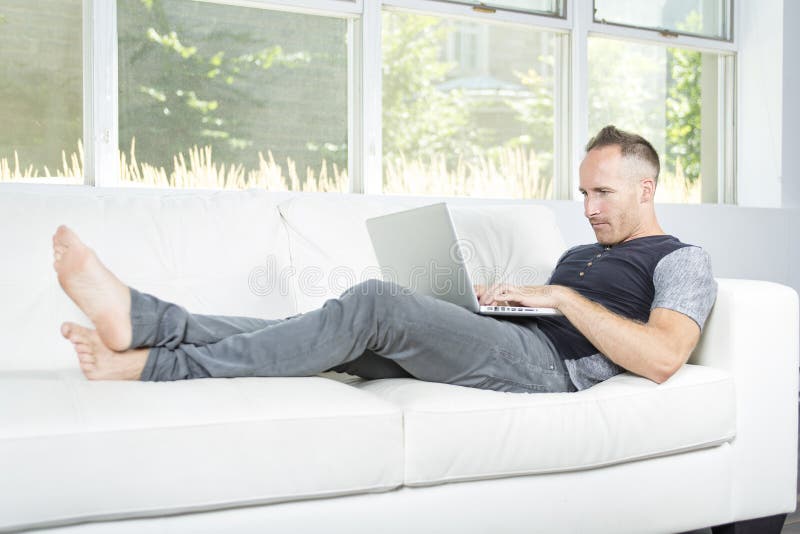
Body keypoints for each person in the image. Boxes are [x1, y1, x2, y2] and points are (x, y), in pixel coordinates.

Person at [54, 125, 716, 392]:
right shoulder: (580, 249)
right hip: (511, 339)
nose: (589, 206)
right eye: (582, 192)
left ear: (646, 187)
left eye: (602, 192)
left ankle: (148, 350)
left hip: (552, 370)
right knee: (319, 328)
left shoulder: (681, 258)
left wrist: (562, 298)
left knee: (374, 301)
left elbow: (662, 358)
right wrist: (485, 303)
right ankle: (143, 330)